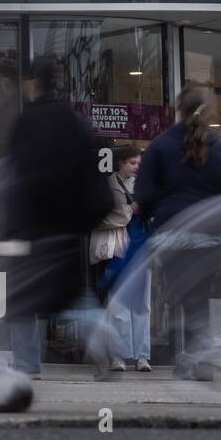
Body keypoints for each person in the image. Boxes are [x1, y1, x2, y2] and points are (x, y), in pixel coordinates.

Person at [1, 56, 113, 380]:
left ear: (34, 83)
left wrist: (11, 226)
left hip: (32, 224)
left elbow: (15, 178)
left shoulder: (26, 122)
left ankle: (27, 366)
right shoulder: (73, 120)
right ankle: (100, 334)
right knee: (72, 293)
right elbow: (89, 172)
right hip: (67, 224)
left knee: (22, 297)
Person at [134, 83, 221, 380]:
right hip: (212, 235)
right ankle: (198, 354)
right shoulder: (220, 151)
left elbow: (144, 193)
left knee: (182, 295)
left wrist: (148, 219)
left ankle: (197, 352)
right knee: (197, 295)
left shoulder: (160, 146)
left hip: (174, 232)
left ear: (178, 110)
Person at [93, 145, 152, 372]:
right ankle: (118, 355)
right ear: (121, 162)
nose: (136, 167)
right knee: (118, 306)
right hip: (118, 249)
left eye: (139, 164)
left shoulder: (145, 186)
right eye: (132, 163)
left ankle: (142, 356)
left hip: (140, 249)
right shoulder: (109, 185)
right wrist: (130, 209)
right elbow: (102, 217)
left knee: (142, 306)